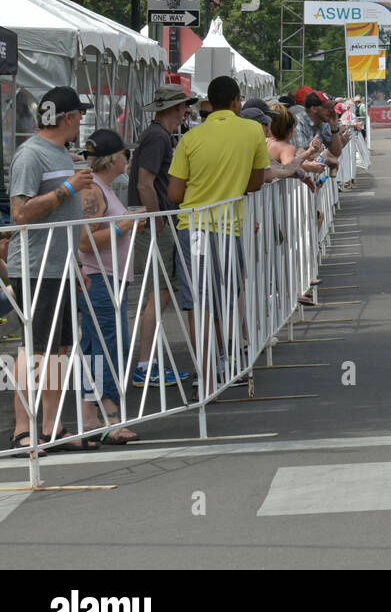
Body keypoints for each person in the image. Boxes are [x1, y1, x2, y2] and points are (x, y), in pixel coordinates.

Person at [7, 86, 96, 453]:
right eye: (80, 116)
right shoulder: (31, 155)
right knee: (35, 347)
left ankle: (50, 425)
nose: (81, 122)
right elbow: (20, 212)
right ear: (69, 118)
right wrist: (69, 188)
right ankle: (23, 428)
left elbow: (63, 219)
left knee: (57, 348)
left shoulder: (59, 152)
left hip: (56, 265)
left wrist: (74, 261)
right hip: (34, 266)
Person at [167, 76, 271, 381]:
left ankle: (207, 373)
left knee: (198, 304)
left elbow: (174, 194)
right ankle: (226, 359)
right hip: (230, 227)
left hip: (194, 227)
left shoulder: (190, 138)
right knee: (225, 297)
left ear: (208, 104)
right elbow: (256, 181)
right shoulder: (252, 130)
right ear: (237, 101)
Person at [126, 84, 197, 390]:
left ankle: (146, 362)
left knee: (160, 291)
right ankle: (144, 364)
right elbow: (145, 183)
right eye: (184, 106)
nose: (187, 111)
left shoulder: (158, 135)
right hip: (156, 221)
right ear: (173, 108)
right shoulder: (157, 136)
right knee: (160, 291)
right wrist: (156, 222)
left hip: (157, 219)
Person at [76, 129, 141, 444]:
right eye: (124, 154)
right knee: (110, 347)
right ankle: (111, 417)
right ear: (114, 159)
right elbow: (85, 242)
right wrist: (122, 226)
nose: (128, 159)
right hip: (99, 277)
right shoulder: (94, 190)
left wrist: (124, 224)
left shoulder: (102, 188)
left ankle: (90, 418)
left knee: (94, 349)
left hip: (108, 277)